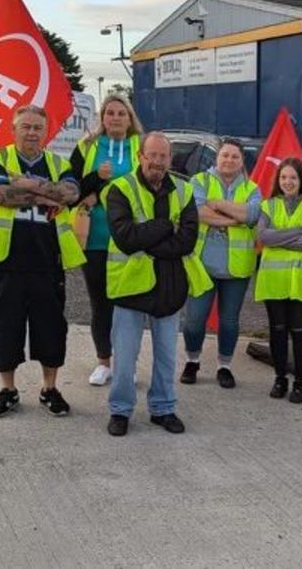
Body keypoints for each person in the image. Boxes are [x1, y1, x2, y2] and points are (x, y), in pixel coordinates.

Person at [0, 105, 82, 418]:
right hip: (5, 259)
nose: (32, 133)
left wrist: (24, 184)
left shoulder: (59, 162)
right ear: (14, 129)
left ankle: (50, 388)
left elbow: (70, 194)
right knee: (4, 326)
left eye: (38, 127)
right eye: (26, 127)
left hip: (48, 259)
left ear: (46, 131)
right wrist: (46, 195)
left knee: (51, 327)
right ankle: (7, 389)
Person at [104, 132, 212, 436]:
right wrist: (166, 226)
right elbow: (126, 239)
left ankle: (163, 408)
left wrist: (149, 240)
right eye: (152, 155)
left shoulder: (184, 189)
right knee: (124, 358)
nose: (158, 162)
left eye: (163, 156)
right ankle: (120, 411)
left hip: (170, 285)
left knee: (166, 355)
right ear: (140, 156)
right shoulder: (120, 189)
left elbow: (188, 240)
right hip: (130, 288)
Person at [69, 94, 144, 386]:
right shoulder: (86, 146)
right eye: (109, 113)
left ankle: (128, 363)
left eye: (121, 113)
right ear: (102, 118)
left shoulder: (141, 146)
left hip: (131, 239)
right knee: (101, 303)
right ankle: (104, 362)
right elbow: (70, 187)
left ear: (130, 118)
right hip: (95, 238)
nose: (115, 118)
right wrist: (95, 179)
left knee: (130, 303)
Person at [180, 138, 261, 388]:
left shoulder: (252, 188)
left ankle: (224, 365)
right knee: (194, 320)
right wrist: (233, 218)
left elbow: (252, 214)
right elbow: (197, 212)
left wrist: (217, 205)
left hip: (236, 268)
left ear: (241, 161)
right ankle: (192, 360)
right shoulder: (199, 181)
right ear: (217, 158)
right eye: (225, 155)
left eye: (234, 157)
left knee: (229, 321)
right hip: (202, 264)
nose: (229, 160)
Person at [255, 158, 302, 403]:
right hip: (274, 279)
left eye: (293, 177)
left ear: (301, 180)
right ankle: (280, 377)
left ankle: (299, 381)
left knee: (299, 330)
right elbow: (262, 236)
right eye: (283, 177)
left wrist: (280, 237)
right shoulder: (268, 205)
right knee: (277, 330)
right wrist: (296, 231)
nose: (288, 182)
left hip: (301, 280)